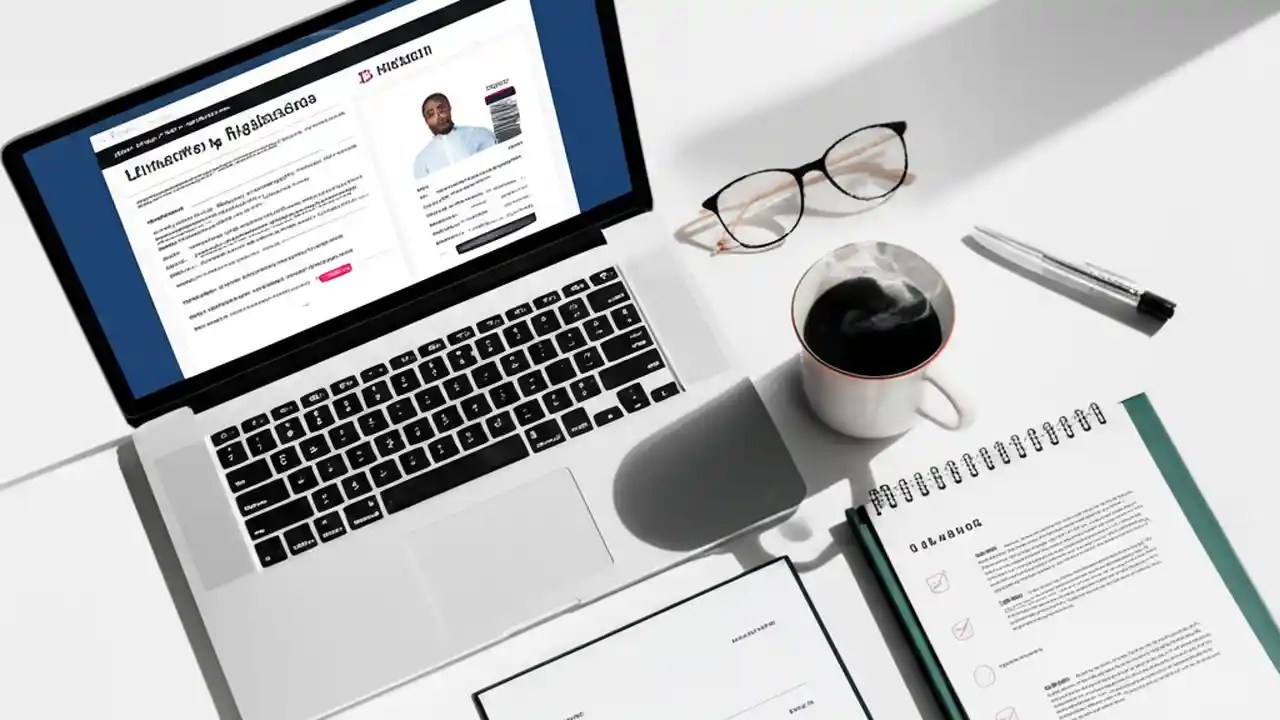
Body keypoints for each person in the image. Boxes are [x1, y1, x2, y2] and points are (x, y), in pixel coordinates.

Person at [412, 93, 497, 178]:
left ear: (449, 108)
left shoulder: (479, 135)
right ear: (426, 121)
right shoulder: (422, 160)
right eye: (431, 115)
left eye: (441, 110)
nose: (438, 117)